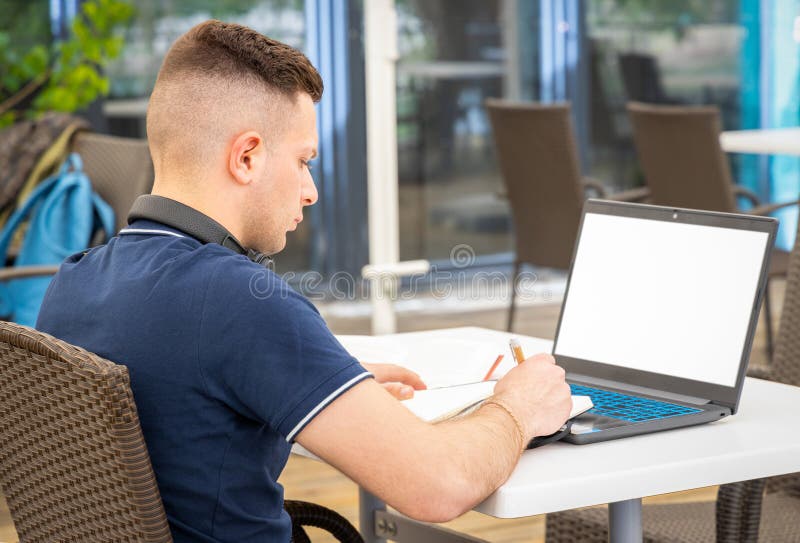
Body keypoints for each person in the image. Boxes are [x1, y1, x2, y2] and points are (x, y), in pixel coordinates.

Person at [36, 20, 572, 543]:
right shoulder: (241, 301)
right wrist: (518, 407)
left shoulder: (74, 284)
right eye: (303, 160)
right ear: (246, 157)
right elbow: (438, 487)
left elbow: (183, 393)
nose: (310, 191)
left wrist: (305, 379)